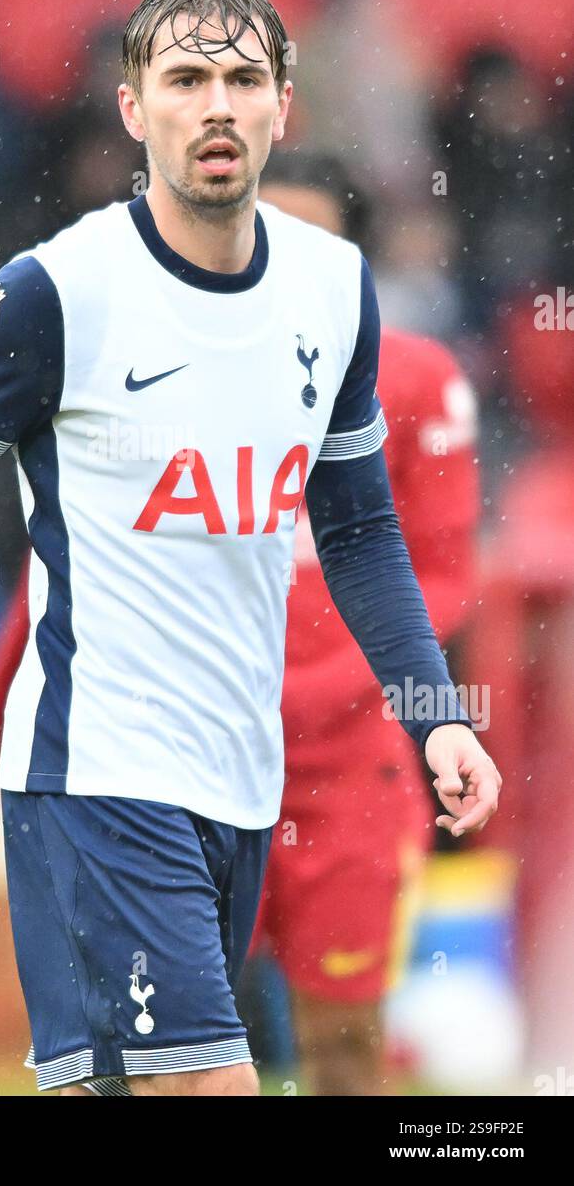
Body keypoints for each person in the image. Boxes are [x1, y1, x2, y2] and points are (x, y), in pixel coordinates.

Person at [0, 0, 501, 1098]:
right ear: (132, 107)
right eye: (185, 77)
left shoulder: (334, 287)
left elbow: (355, 528)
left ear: (283, 104)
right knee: (209, 1086)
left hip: (241, 776)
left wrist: (431, 712)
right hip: (95, 770)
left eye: (244, 79)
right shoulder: (57, 293)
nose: (216, 106)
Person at [249, 151, 481, 1093]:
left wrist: (324, 692)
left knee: (343, 1050)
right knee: (173, 1050)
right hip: (197, 747)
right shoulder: (167, 373)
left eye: (317, 240)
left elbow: (444, 577)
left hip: (351, 762)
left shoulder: (418, 378)